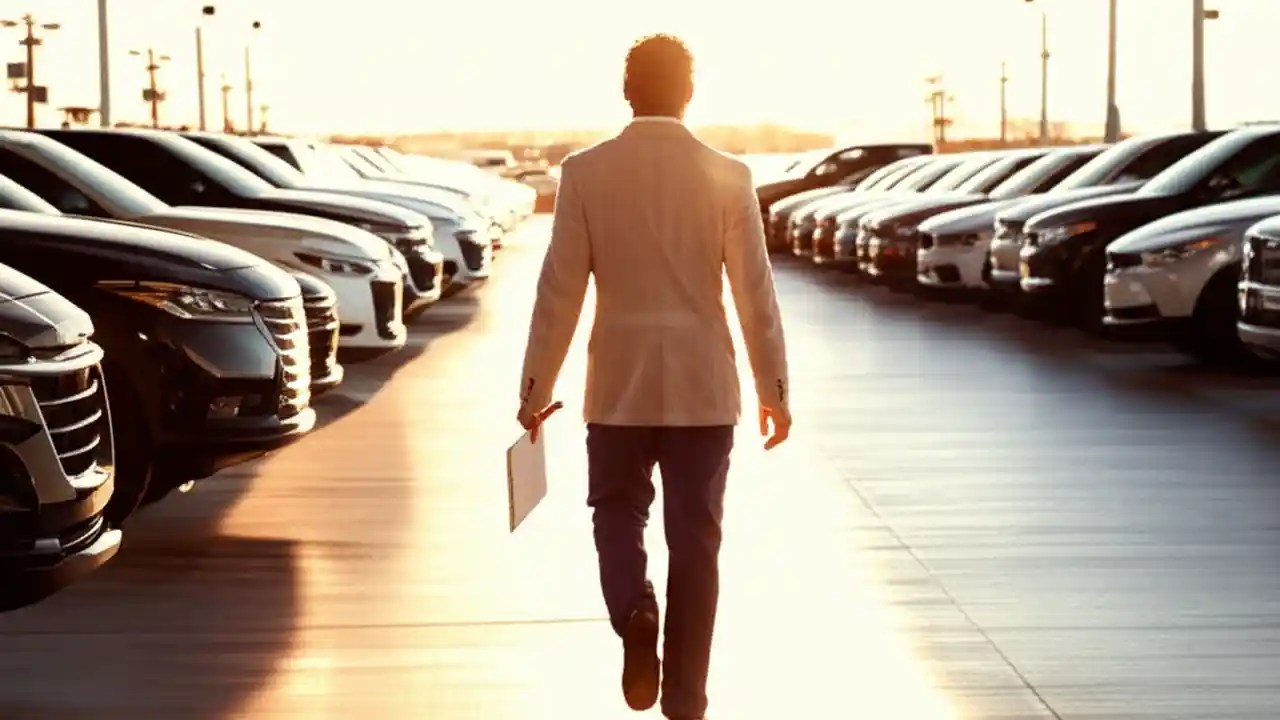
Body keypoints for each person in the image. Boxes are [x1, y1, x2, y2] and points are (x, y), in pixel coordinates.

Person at [516, 33, 791, 720]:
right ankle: (687, 700)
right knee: (696, 543)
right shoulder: (729, 174)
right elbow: (754, 293)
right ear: (690, 93)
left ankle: (636, 609)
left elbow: (559, 291)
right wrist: (773, 392)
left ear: (627, 90)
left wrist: (534, 390)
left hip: (618, 384)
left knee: (615, 510)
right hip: (704, 387)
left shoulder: (585, 172)